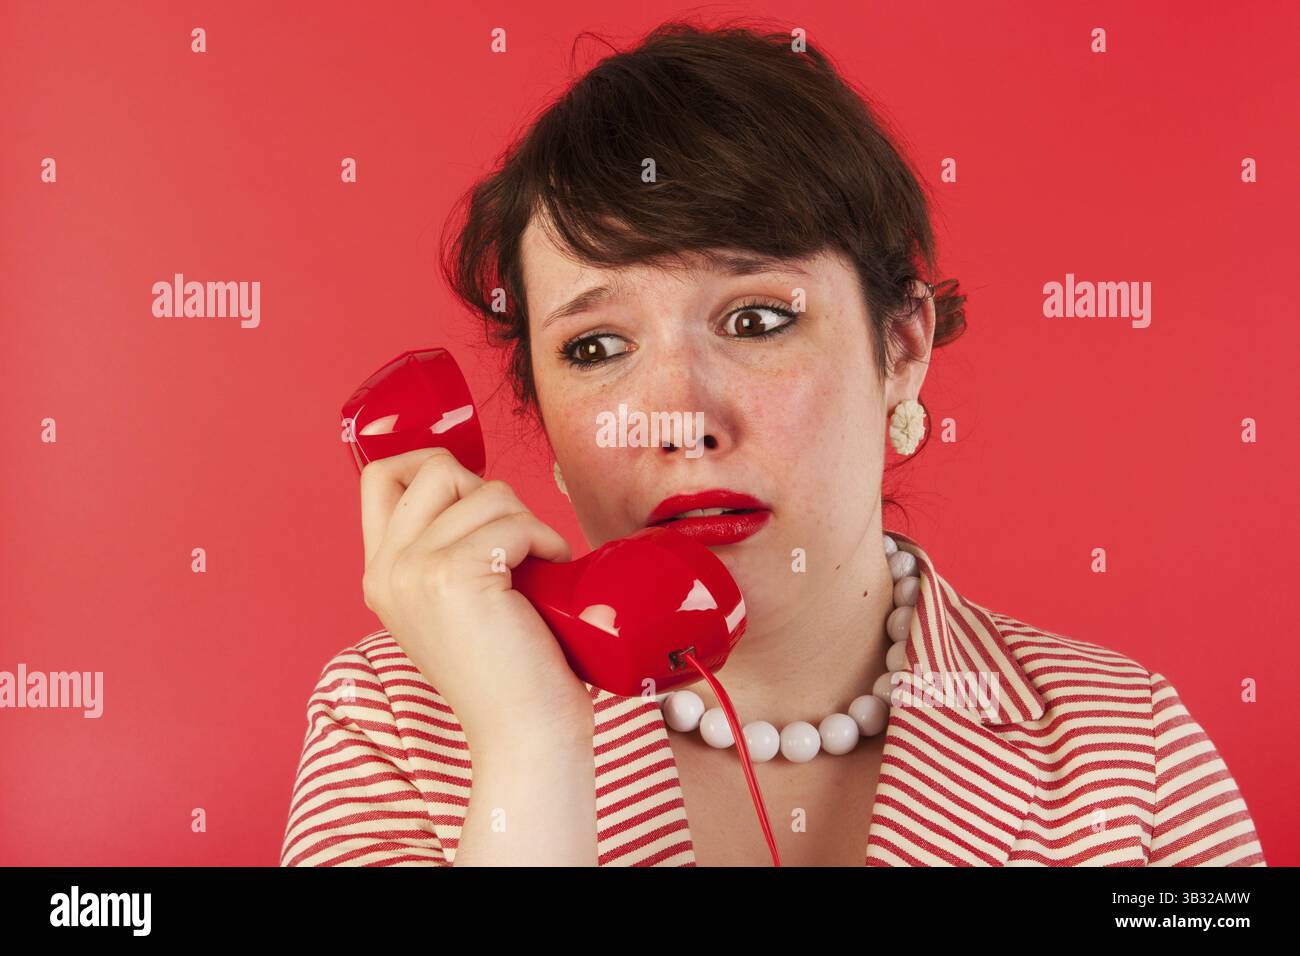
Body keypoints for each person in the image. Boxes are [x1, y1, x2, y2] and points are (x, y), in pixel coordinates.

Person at [280, 20, 1265, 866]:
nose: (677, 416)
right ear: (542, 412)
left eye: (755, 320)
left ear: (901, 345)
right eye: (595, 345)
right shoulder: (399, 725)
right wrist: (529, 747)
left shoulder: (1125, 748)